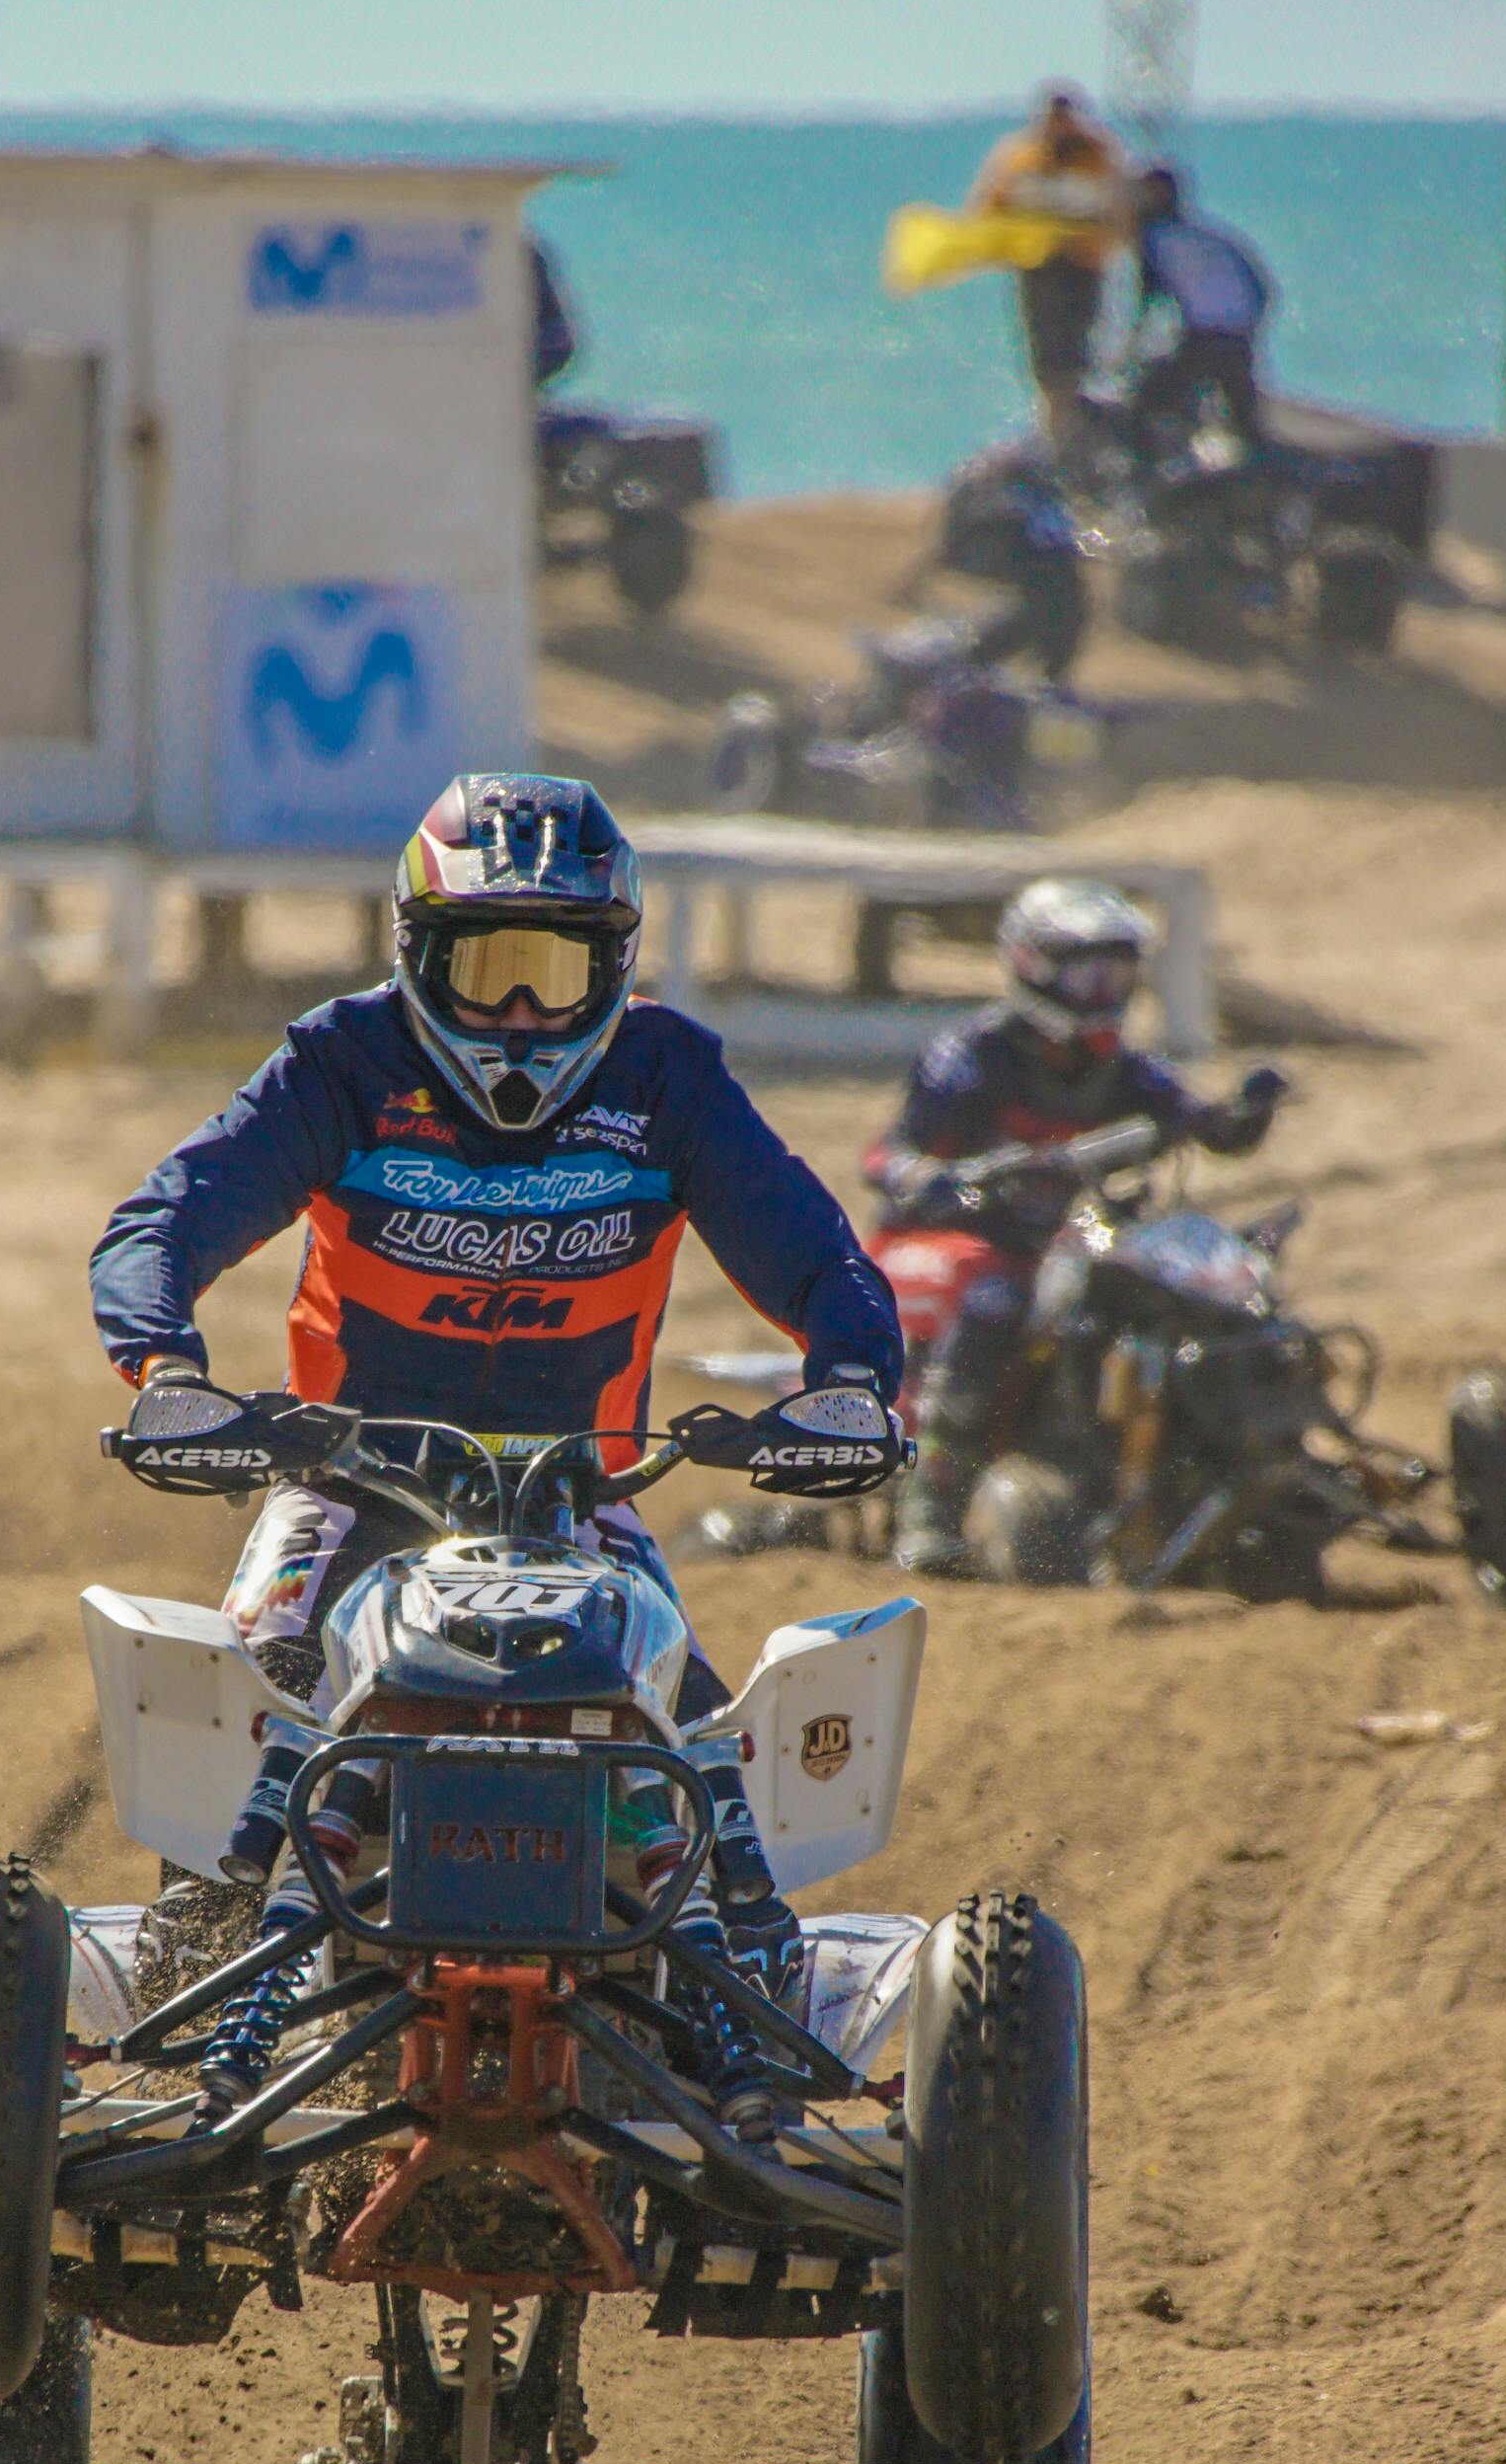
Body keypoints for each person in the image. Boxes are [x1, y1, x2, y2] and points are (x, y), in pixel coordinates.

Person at [91, 772, 906, 2118]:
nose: (523, 1011)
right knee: (265, 1694)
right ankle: (208, 1991)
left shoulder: (666, 1078)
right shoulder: (342, 1062)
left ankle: (739, 2027)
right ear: (417, 953)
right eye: (488, 967)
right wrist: (169, 1373)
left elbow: (819, 1255)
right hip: (347, 1489)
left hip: (583, 1497)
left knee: (693, 1743)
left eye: (557, 967)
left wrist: (852, 1385)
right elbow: (160, 1223)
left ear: (617, 963)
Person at [866, 878, 1287, 1577]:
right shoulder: (971, 1056)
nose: (1104, 989)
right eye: (1088, 971)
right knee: (995, 1303)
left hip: (1080, 1247)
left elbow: (1195, 1120)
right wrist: (934, 1176)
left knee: (1191, 1297)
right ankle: (930, 1514)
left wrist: (1238, 1118)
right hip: (968, 1244)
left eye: (1118, 972)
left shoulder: (1119, 1067)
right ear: (1033, 966)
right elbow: (893, 1155)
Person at [968, 82, 1128, 455]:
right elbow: (989, 210)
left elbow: (1118, 214)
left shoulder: (1097, 154)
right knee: (1047, 364)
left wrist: (1092, 242)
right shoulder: (1021, 157)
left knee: (1075, 359)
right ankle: (1055, 437)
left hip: (1082, 268)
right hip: (1039, 271)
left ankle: (1070, 436)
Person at [1128, 161, 1272, 460]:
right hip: (1238, 334)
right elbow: (1261, 289)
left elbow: (1149, 303)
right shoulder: (1207, 235)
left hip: (1206, 335)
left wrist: (1128, 351)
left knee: (1147, 401)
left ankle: (1154, 465)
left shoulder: (1154, 239)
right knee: (1242, 415)